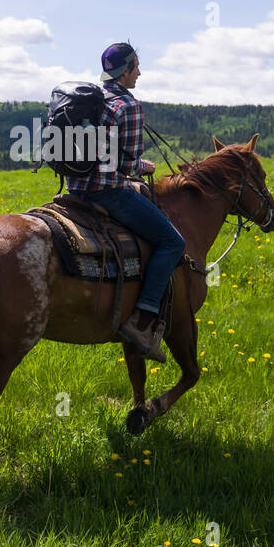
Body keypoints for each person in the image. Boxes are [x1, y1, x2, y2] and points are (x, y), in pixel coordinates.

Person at [66, 43, 184, 362]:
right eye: (136, 67)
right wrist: (144, 167)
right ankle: (143, 319)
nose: (140, 73)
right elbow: (127, 166)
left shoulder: (89, 99)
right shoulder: (127, 106)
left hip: (73, 187)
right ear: (127, 70)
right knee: (172, 242)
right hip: (107, 191)